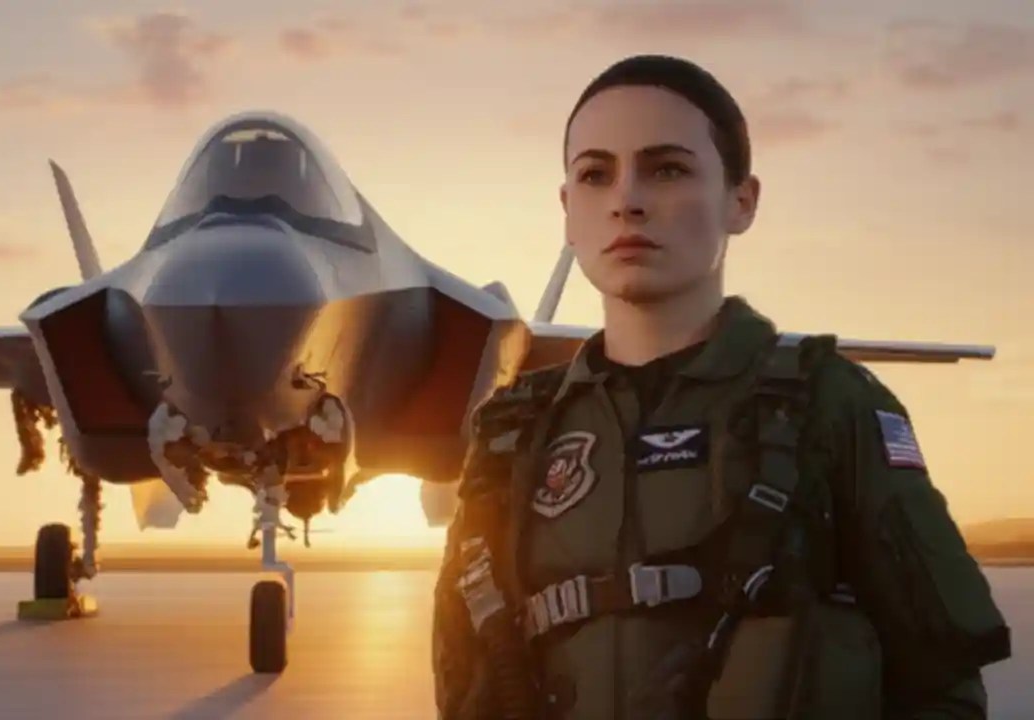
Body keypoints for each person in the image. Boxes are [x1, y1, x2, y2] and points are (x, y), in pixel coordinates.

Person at [431, 54, 1010, 720]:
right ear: (567, 209)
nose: (627, 200)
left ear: (742, 200)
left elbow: (942, 681)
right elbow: (465, 677)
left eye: (667, 168)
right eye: (595, 175)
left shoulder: (831, 407)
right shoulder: (512, 435)